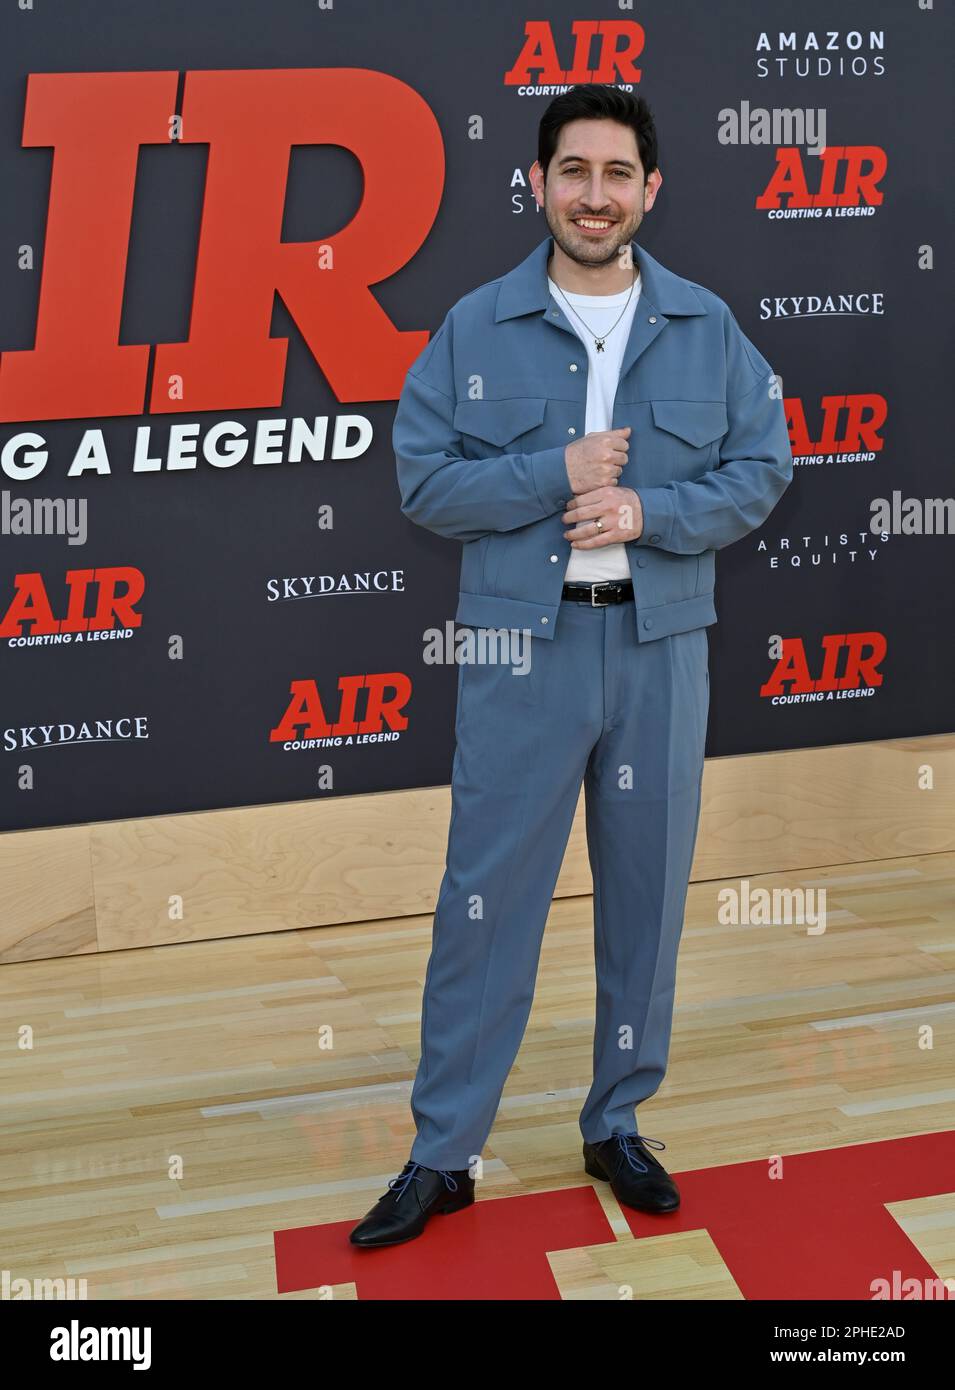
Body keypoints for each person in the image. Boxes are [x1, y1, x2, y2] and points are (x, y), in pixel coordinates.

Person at [350, 84, 793, 1248]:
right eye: (572, 172)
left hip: (658, 648)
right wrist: (556, 471)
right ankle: (443, 1154)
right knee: (484, 906)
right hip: (520, 650)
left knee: (645, 903)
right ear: (538, 185)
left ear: (649, 190)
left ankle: (616, 1122)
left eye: (616, 174)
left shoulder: (706, 324)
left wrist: (650, 508)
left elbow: (761, 468)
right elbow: (423, 483)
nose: (593, 195)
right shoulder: (475, 327)